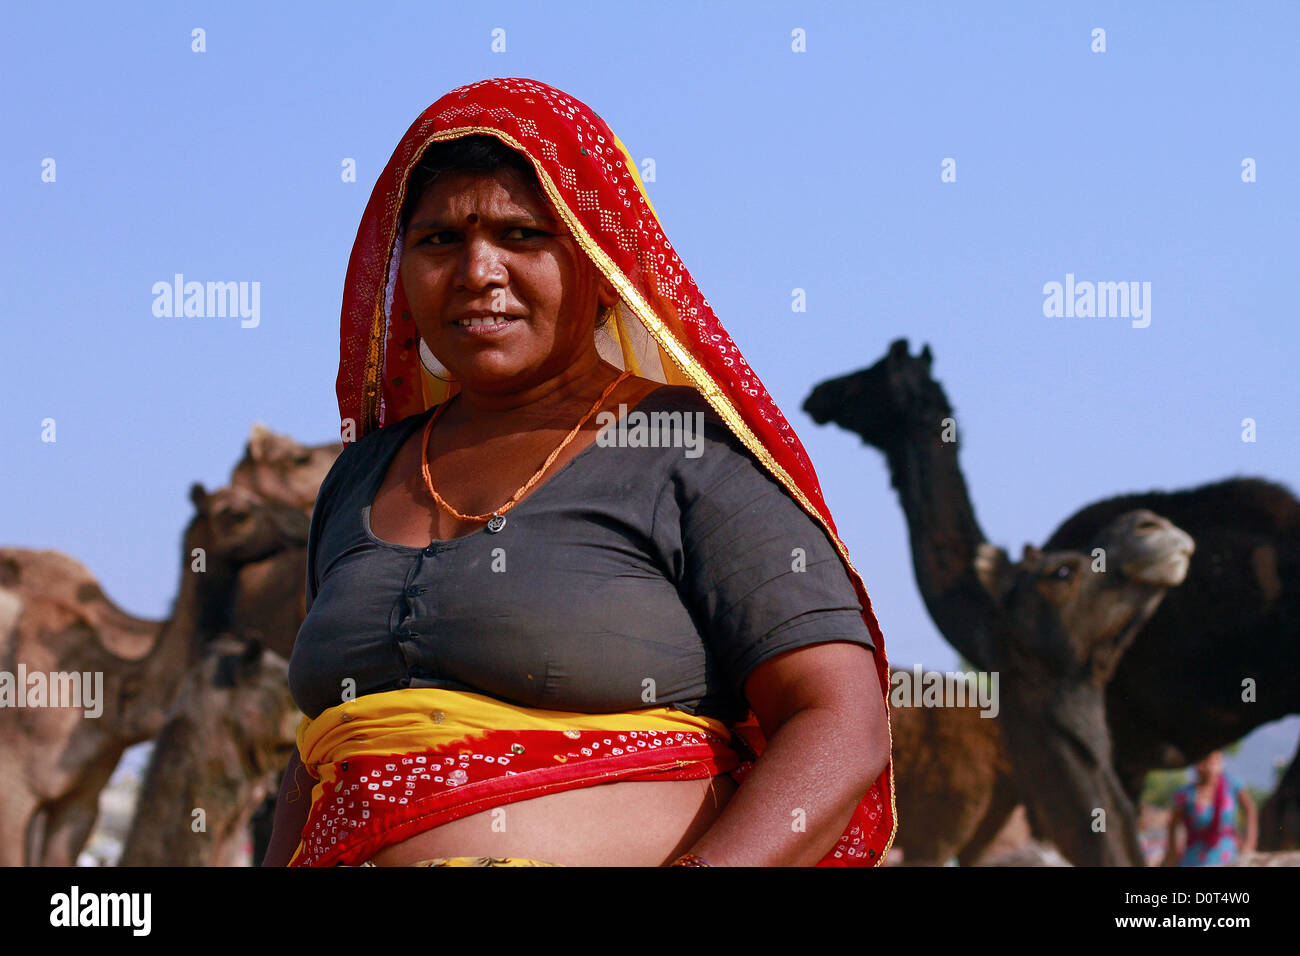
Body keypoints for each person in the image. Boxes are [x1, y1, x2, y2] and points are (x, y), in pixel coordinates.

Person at [263, 77, 896, 867]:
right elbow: (322, 754)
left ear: (603, 261)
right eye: (437, 241)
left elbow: (839, 718)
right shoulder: (361, 474)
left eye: (522, 235)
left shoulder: (688, 448)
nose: (477, 272)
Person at [1162, 750, 1257, 866]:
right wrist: (1172, 853)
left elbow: (1250, 809)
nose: (1209, 768)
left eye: (1214, 762)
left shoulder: (1232, 786)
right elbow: (1172, 825)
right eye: (1204, 762)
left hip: (1228, 857)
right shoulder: (1185, 794)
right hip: (1194, 859)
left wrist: (1249, 843)